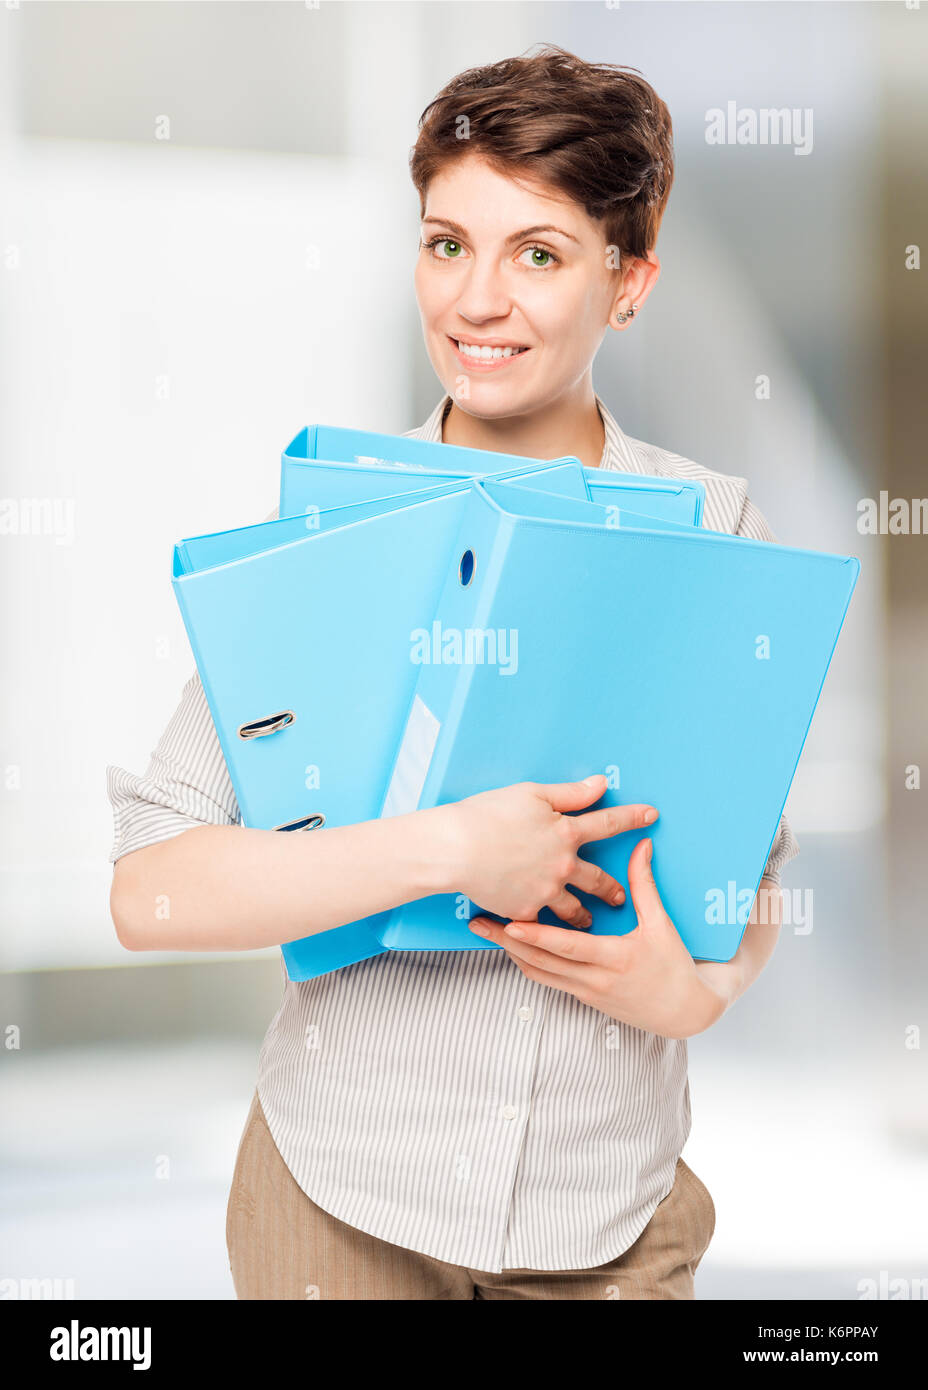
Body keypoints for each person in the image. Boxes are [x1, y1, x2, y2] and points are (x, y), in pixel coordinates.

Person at [107, 44, 798, 1300]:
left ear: (628, 283)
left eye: (537, 253)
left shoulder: (714, 529)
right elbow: (151, 892)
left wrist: (696, 990)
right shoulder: (335, 530)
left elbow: (741, 857)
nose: (476, 300)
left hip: (609, 1224)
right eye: (445, 243)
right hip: (336, 1203)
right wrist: (449, 851)